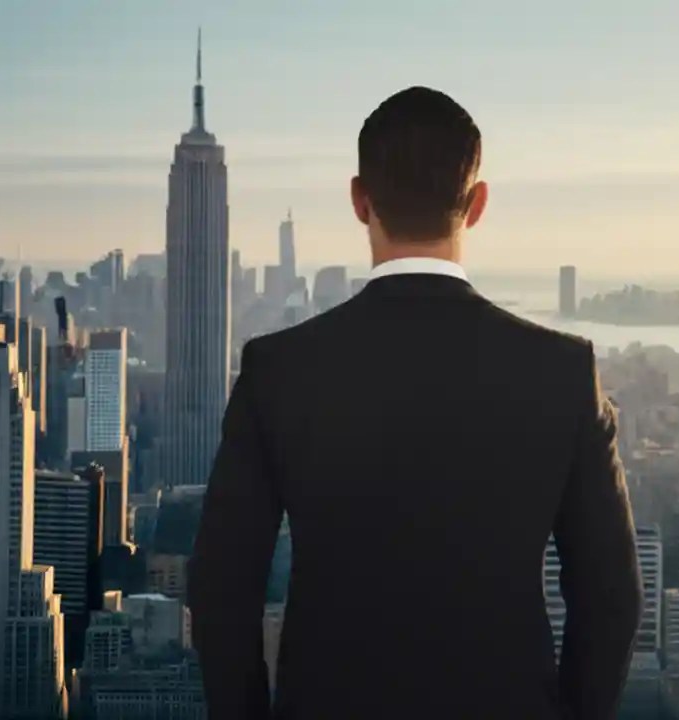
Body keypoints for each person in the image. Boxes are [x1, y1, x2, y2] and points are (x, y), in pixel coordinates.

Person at [188, 86, 642, 719]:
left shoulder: (278, 371)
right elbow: (612, 596)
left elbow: (220, 591)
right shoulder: (563, 372)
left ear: (358, 199)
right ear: (477, 203)